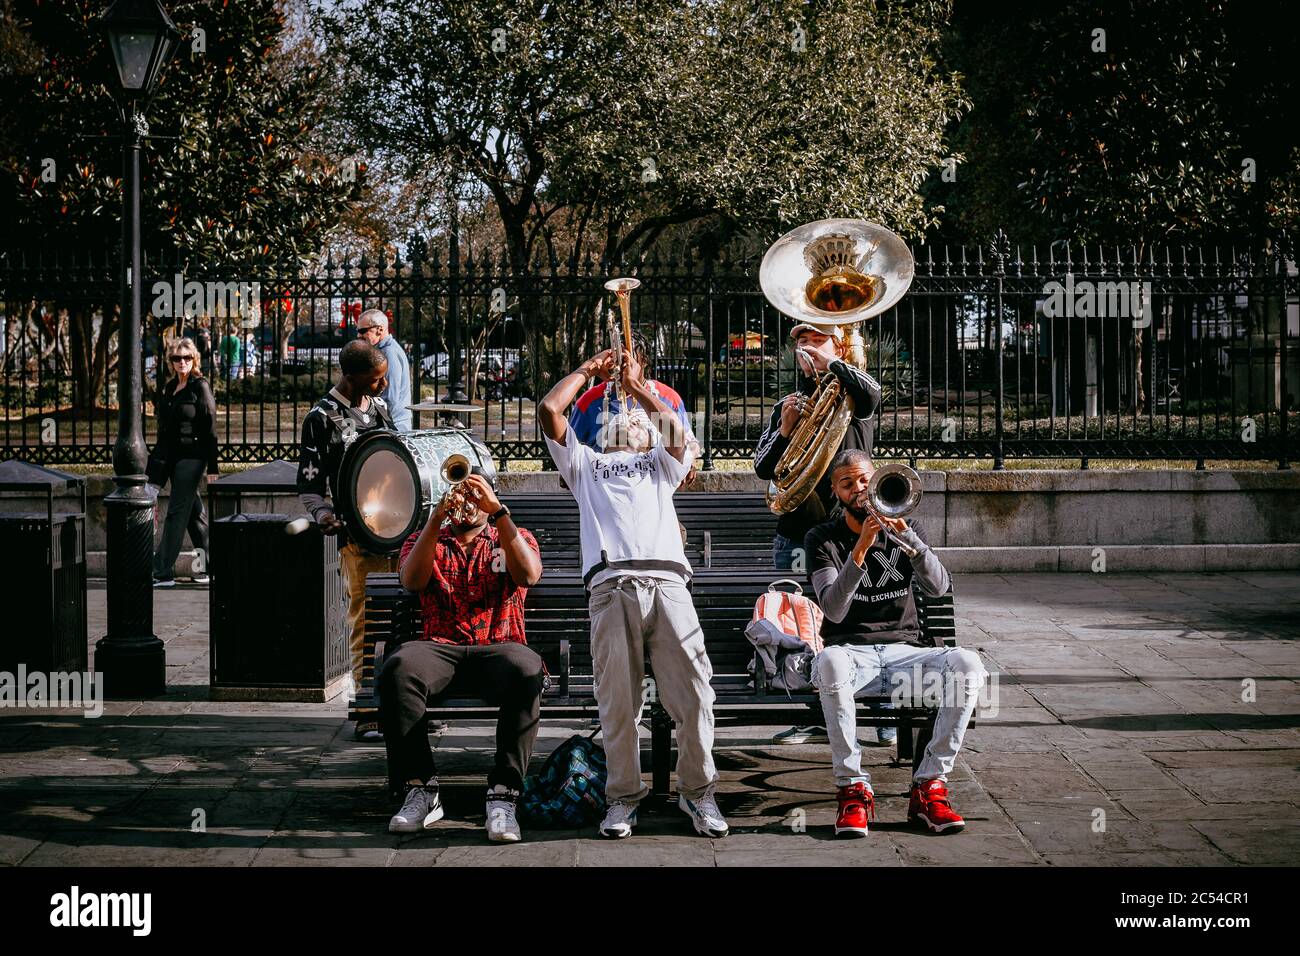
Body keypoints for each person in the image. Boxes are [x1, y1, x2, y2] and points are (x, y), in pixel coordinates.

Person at [540, 347, 729, 840]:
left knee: (693, 696)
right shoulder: (584, 466)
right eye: (620, 417)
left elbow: (677, 434)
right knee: (618, 704)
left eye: (638, 420)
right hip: (610, 586)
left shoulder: (660, 465)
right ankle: (622, 798)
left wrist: (638, 386)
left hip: (667, 583)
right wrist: (589, 372)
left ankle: (698, 791)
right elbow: (548, 411)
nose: (629, 421)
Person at [806, 448, 986, 838]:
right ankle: (852, 789)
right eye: (847, 483)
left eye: (864, 480)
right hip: (852, 656)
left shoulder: (907, 528)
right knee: (829, 664)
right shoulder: (822, 538)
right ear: (835, 491)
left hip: (907, 656)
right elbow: (833, 611)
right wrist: (860, 551)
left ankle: (929, 785)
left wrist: (911, 542)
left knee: (969, 665)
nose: (858, 489)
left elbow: (939, 587)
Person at [382, 461, 544, 842]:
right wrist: (434, 520)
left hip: (499, 648)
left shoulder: (513, 535)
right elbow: (411, 580)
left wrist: (498, 513)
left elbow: (528, 575)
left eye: (476, 493)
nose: (467, 501)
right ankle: (421, 788)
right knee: (399, 667)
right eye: (462, 493)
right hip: (442, 649)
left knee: (528, 668)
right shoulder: (429, 540)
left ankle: (504, 793)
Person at [754, 322, 885, 746]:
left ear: (839, 343)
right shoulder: (786, 404)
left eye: (815, 339)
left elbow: (873, 391)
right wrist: (787, 431)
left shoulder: (853, 393)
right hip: (798, 533)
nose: (805, 347)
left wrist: (833, 364)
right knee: (806, 623)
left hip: (855, 528)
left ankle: (882, 713)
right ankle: (813, 714)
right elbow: (762, 467)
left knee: (869, 616)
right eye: (799, 341)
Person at [296, 340, 399, 738]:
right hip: (358, 539)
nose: (384, 383)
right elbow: (308, 484)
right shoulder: (320, 418)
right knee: (367, 624)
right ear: (352, 376)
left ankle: (403, 705)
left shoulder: (382, 411)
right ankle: (368, 712)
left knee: (401, 624)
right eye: (376, 378)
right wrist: (322, 514)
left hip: (395, 535)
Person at [150, 337, 219, 587]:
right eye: (177, 358)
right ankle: (212, 568)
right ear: (171, 361)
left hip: (194, 458)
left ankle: (161, 571)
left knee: (177, 512)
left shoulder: (200, 386)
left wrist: (213, 467)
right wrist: (155, 470)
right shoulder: (170, 388)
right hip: (174, 459)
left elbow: (211, 427)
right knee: (194, 515)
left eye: (187, 358)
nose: (182, 362)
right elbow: (164, 432)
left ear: (195, 359)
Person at [356, 309, 413, 431]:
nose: (358, 335)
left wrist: (365, 417)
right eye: (358, 331)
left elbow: (389, 398)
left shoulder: (389, 353)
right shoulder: (385, 350)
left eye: (363, 331)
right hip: (390, 423)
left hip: (393, 426)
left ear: (380, 329)